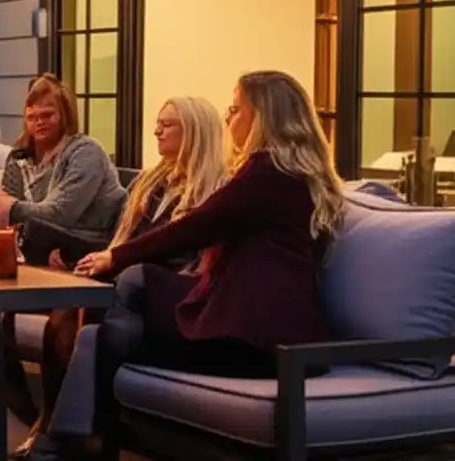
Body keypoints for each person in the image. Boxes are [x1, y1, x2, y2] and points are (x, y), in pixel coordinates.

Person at [67, 71, 344, 459]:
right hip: (250, 320)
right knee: (119, 305)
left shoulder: (268, 173)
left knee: (107, 322)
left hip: (257, 338)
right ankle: (77, 444)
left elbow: (197, 226)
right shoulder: (291, 174)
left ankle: (76, 445)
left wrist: (116, 255)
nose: (228, 119)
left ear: (261, 117)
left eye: (235, 109)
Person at [12, 97, 227, 459]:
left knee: (77, 321)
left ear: (194, 130)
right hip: (121, 280)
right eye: (157, 122)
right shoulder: (150, 183)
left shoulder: (214, 190)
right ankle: (55, 433)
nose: (156, 130)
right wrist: (85, 260)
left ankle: (56, 437)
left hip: (160, 293)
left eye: (167, 124)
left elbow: (183, 257)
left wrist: (108, 263)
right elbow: (122, 242)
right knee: (65, 316)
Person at [0, 74, 125, 428]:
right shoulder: (20, 157)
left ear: (65, 116)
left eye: (48, 114)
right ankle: (26, 415)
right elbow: (8, 214)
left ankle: (51, 426)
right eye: (32, 116)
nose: (39, 122)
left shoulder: (84, 152)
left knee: (37, 237)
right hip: (39, 255)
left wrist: (11, 209)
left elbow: (60, 212)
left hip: (90, 254)